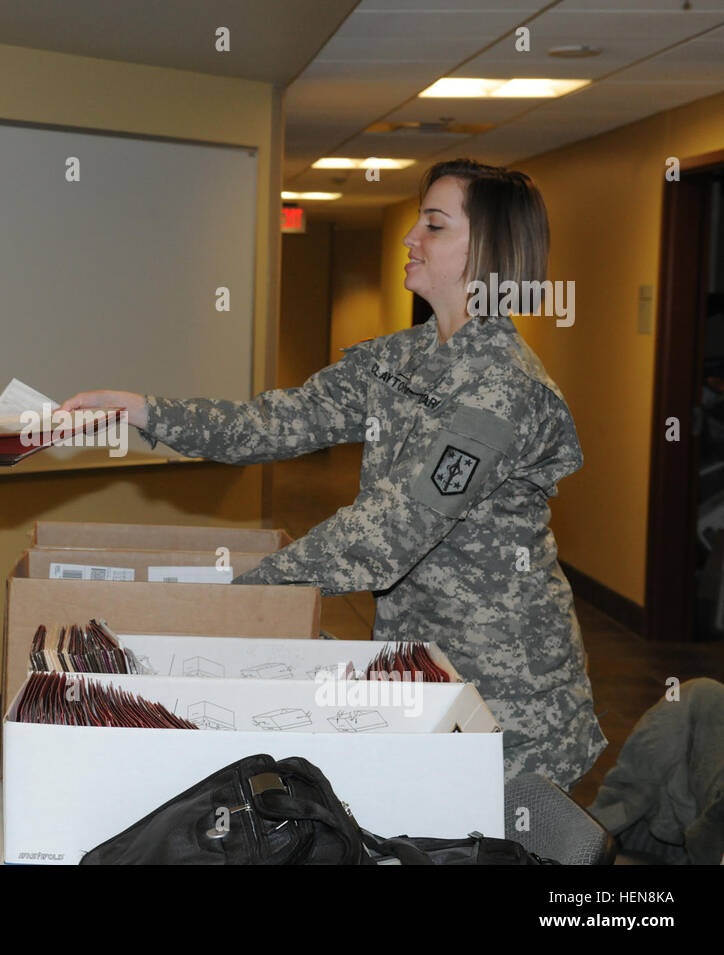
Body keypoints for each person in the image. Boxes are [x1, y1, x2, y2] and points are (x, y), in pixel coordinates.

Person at [61, 159, 607, 790]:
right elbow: (273, 423)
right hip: (419, 665)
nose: (410, 238)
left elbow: (384, 537)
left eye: (433, 224)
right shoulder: (399, 359)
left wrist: (234, 599)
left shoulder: (503, 390)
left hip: (507, 695)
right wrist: (144, 411)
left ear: (488, 249)